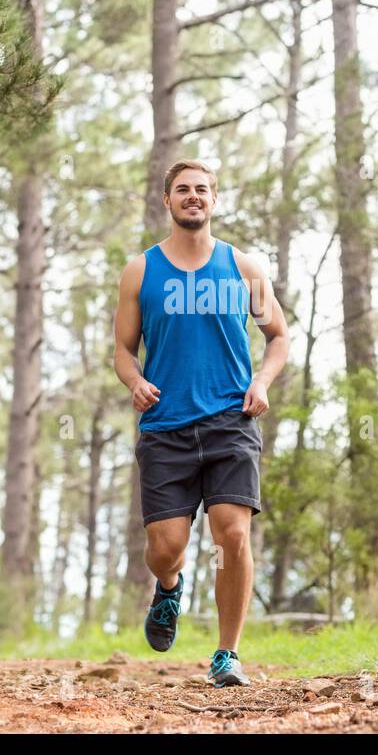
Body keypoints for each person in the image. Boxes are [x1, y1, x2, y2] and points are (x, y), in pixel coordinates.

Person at [113, 159, 290, 687]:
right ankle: (169, 586)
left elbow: (278, 335)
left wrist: (261, 383)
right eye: (183, 190)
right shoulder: (141, 271)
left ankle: (227, 655)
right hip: (165, 425)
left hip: (229, 421)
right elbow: (122, 351)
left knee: (233, 533)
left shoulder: (244, 267)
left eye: (203, 190)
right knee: (166, 546)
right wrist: (134, 381)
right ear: (166, 200)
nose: (194, 197)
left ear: (214, 200)